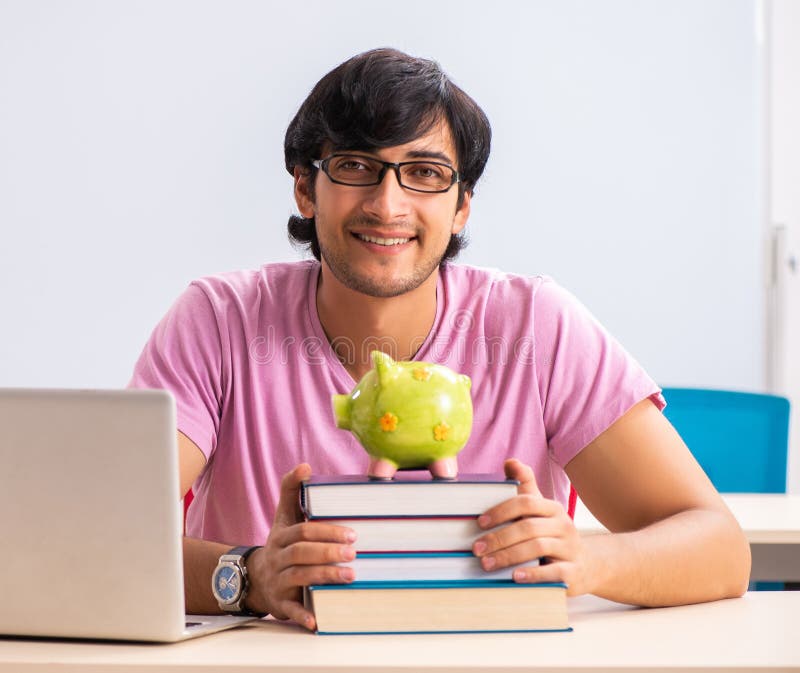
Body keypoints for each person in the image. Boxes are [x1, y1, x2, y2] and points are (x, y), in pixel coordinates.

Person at [129, 48, 750, 631]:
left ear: (460, 208)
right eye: (354, 167)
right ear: (304, 188)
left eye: (424, 173)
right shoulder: (218, 320)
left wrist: (588, 562)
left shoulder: (537, 325)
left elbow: (720, 549)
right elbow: (105, 536)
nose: (387, 203)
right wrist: (251, 577)